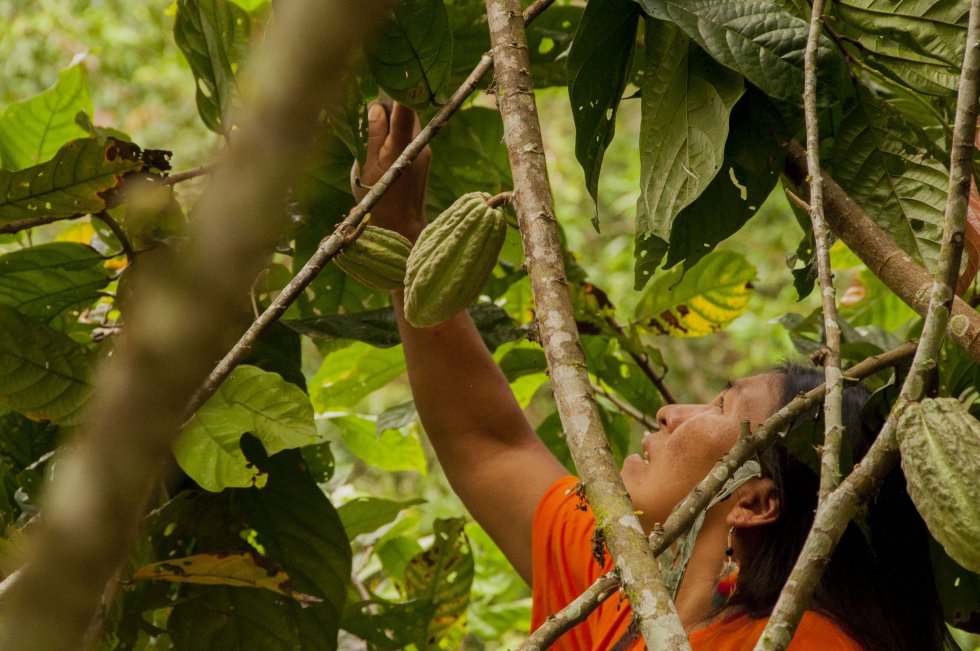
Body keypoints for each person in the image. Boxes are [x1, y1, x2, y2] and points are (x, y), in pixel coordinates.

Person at [351, 102, 950, 650]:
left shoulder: (809, 643)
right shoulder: (625, 589)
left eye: (720, 406)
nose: (670, 413)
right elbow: (489, 445)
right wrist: (407, 237)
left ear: (755, 501)